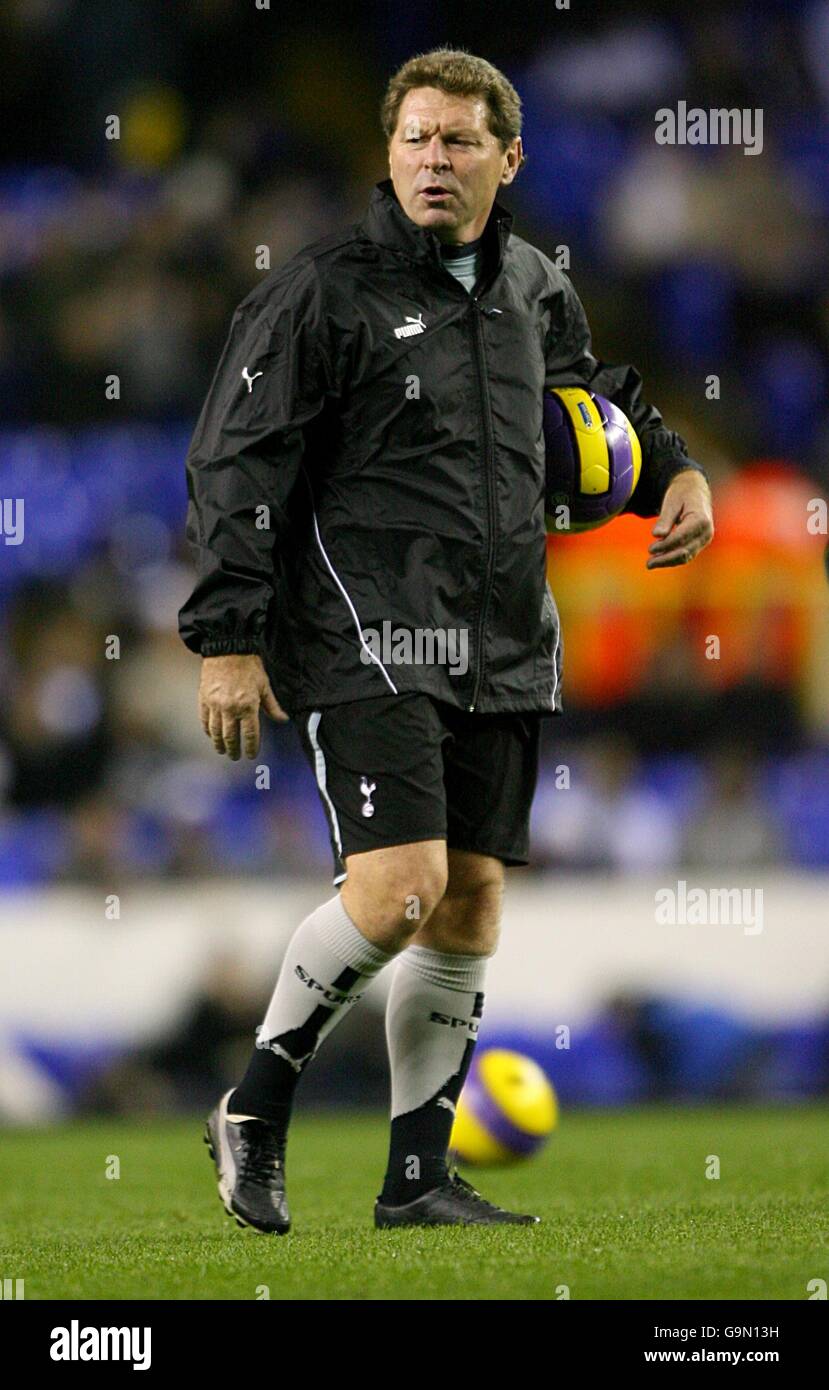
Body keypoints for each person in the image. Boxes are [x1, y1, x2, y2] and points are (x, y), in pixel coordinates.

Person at [178, 48, 714, 1232]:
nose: (433, 159)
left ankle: (416, 1178)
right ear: (388, 151)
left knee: (468, 903)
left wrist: (668, 468)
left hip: (504, 634)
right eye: (415, 138)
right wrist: (226, 634)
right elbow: (233, 458)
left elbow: (582, 404)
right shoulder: (321, 289)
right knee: (400, 889)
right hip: (363, 625)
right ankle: (256, 1106)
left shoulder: (533, 286)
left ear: (506, 158)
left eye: (459, 141)